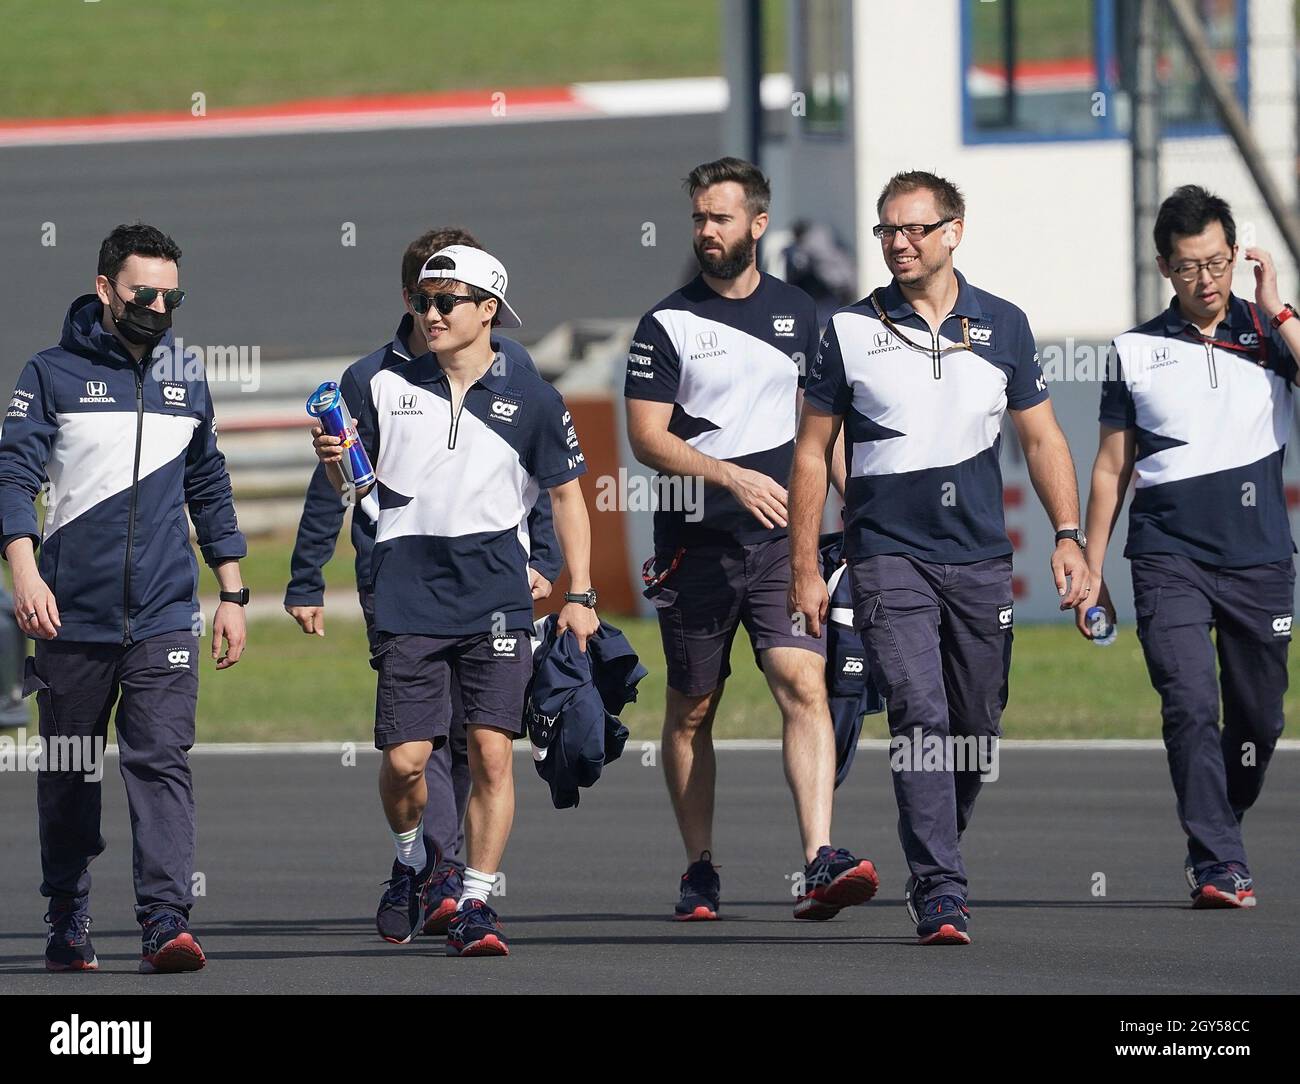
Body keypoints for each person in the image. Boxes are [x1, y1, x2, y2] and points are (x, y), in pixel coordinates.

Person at [788, 171, 1090, 945]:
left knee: (976, 725)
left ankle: (936, 843)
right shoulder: (846, 330)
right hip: (888, 555)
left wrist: (1068, 534)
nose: (898, 243)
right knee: (921, 713)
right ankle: (941, 888)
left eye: (915, 229)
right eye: (888, 230)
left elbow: (1044, 438)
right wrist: (802, 566)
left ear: (954, 230)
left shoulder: (1005, 325)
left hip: (983, 559)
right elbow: (812, 454)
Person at [311, 244, 597, 957]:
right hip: (406, 594)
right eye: (422, 301)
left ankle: (475, 900)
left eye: (446, 302)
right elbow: (355, 487)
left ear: (488, 311)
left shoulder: (532, 394)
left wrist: (579, 592)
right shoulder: (377, 382)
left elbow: (567, 496)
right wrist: (337, 467)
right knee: (408, 761)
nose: (429, 313)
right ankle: (412, 861)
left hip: (496, 598)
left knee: (492, 752)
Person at [625, 156, 879, 923]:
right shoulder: (665, 323)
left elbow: (821, 431)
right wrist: (731, 477)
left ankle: (818, 860)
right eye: (699, 218)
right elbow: (646, 438)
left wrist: (858, 515)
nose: (707, 230)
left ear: (757, 225)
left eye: (721, 217)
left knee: (802, 686)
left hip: (783, 549)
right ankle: (699, 867)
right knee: (693, 710)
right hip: (695, 550)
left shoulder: (804, 313)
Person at [0, 222, 248, 972]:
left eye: (173, 296)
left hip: (166, 614)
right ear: (107, 288)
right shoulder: (48, 374)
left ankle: (164, 920)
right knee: (70, 772)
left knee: (161, 757)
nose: (160, 308)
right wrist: (24, 569)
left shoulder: (188, 374)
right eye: (145, 294)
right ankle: (68, 909)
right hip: (69, 615)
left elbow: (208, 482)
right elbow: (13, 478)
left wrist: (232, 589)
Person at [1076, 185, 1299, 909]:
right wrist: (1090, 560)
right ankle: (1216, 861)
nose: (1206, 280)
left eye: (1218, 262)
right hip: (1166, 557)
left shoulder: (1271, 336)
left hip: (1260, 559)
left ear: (1236, 255)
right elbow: (1112, 467)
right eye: (1188, 267)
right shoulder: (1135, 351)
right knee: (1188, 703)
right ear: (1165, 270)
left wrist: (1281, 309)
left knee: (1260, 719)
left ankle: (1219, 818)